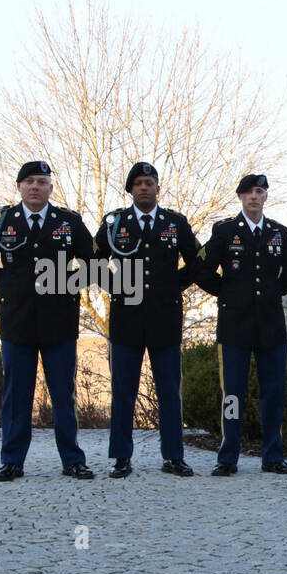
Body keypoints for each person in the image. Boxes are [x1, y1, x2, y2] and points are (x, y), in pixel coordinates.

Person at [0, 160, 95, 481]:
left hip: (59, 323)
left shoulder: (68, 222)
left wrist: (66, 286)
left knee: (63, 395)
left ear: (51, 188)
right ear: (19, 187)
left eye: (42, 181)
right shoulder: (1, 222)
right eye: (29, 182)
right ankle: (12, 461)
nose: (35, 187)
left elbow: (95, 262)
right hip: (17, 323)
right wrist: (11, 286)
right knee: (16, 395)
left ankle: (72, 460)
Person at [94, 162, 200, 478]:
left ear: (157, 188)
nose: (143, 187)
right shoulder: (114, 224)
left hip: (165, 318)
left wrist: (172, 286)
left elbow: (198, 263)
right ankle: (121, 458)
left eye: (149, 182)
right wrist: (120, 288)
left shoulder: (175, 223)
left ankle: (173, 456)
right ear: (130, 190)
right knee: (124, 390)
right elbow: (94, 263)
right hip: (126, 318)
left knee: (169, 390)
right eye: (138, 183)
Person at [194, 174, 287, 476]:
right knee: (232, 395)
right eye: (249, 193)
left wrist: (269, 295)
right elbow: (202, 270)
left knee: (274, 392)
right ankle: (228, 457)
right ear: (240, 197)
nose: (255, 197)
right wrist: (228, 293)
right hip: (234, 325)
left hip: (270, 325)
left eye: (260, 192)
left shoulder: (278, 233)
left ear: (266, 197)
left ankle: (273, 456)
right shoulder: (226, 230)